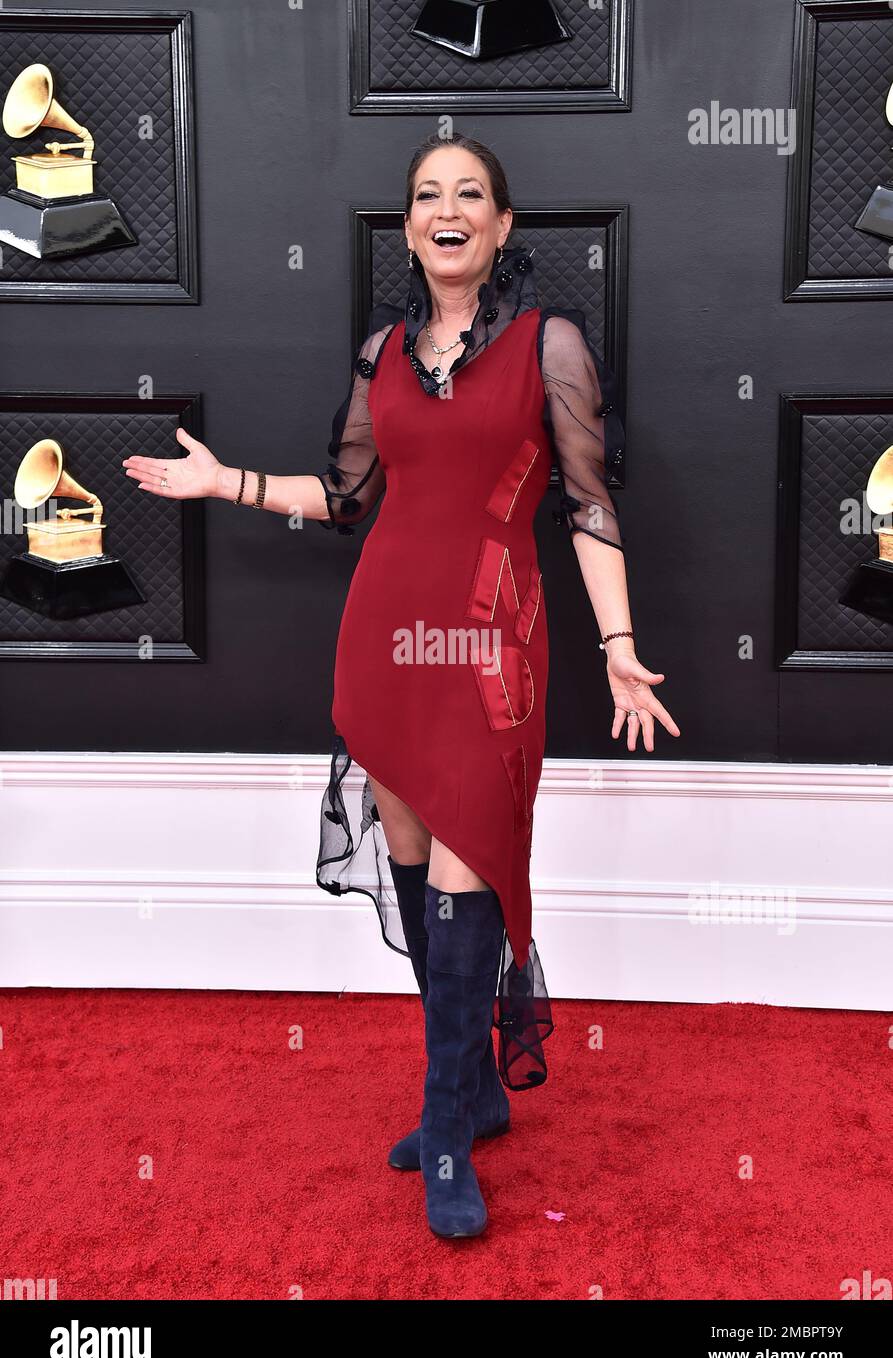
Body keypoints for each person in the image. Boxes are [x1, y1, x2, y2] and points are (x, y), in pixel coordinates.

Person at [121, 133, 681, 1241]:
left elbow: (587, 506)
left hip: (487, 645)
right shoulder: (380, 350)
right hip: (386, 640)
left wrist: (617, 639)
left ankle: (441, 1132)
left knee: (473, 860)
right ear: (410, 226)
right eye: (427, 194)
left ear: (502, 226)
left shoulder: (547, 345)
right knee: (420, 868)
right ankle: (469, 1087)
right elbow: (345, 496)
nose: (447, 209)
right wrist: (219, 480)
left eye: (470, 193)